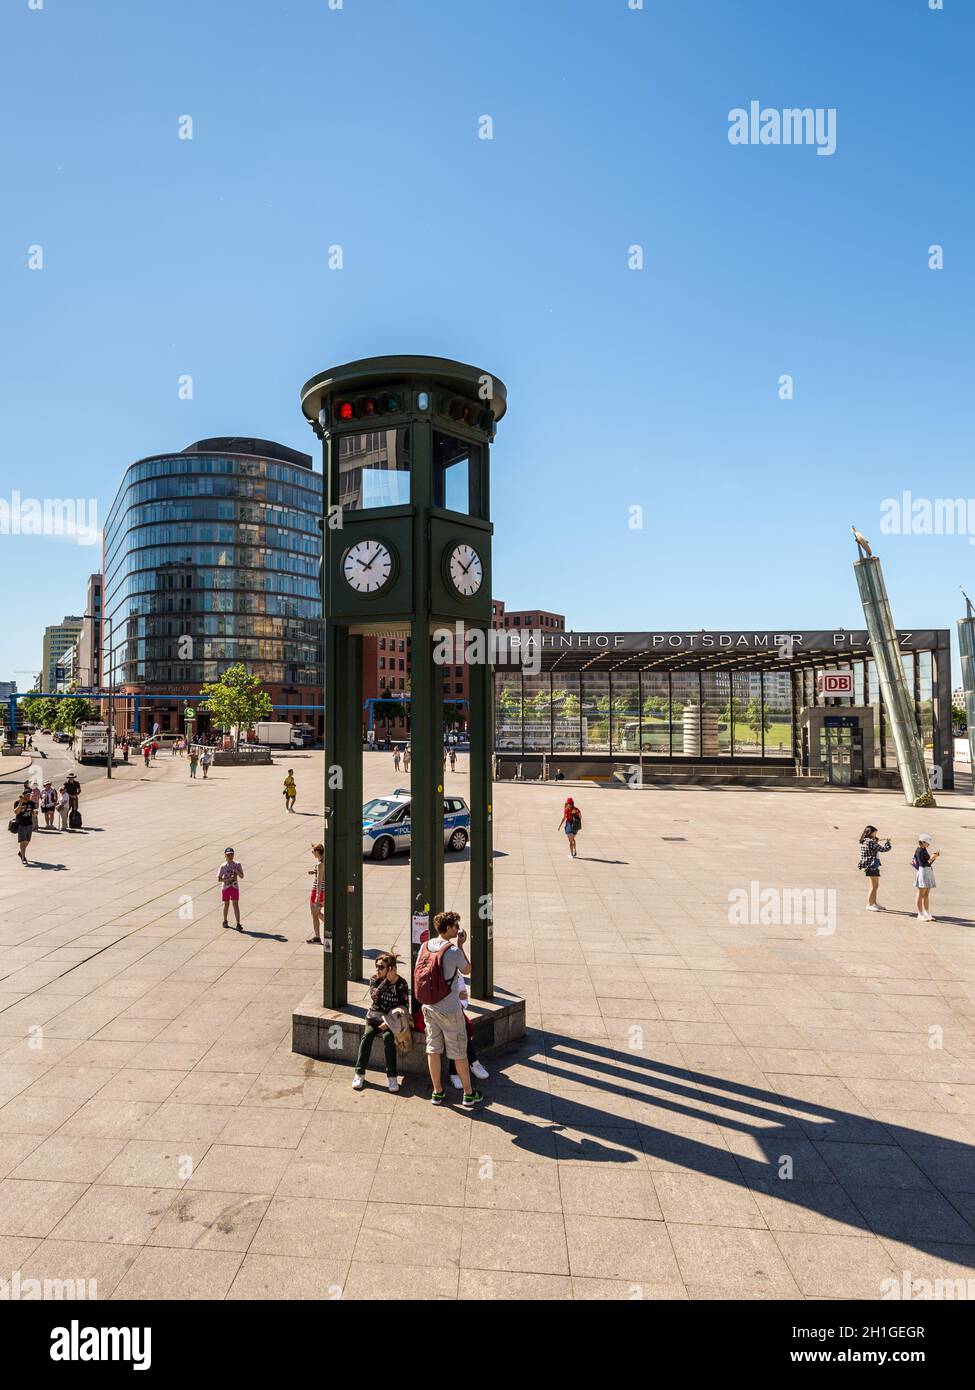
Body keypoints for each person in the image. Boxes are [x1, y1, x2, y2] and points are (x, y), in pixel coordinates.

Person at [414, 911, 481, 1109]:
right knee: (459, 1052)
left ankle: (437, 1091)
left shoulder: (425, 946)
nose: (458, 929)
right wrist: (461, 946)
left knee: (433, 1050)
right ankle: (469, 1094)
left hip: (429, 1008)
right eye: (455, 926)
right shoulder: (452, 951)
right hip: (450, 1009)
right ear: (448, 928)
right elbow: (467, 969)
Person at [353, 952, 409, 1092]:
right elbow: (375, 997)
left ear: (391, 968)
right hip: (375, 1017)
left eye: (381, 967)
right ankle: (359, 1073)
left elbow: (404, 1007)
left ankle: (392, 1077)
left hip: (391, 1019)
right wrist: (386, 981)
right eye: (376, 966)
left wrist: (389, 1022)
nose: (377, 970)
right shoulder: (375, 979)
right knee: (367, 1036)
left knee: (388, 1038)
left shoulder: (402, 984)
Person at [448, 973, 491, 1090]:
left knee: (460, 1027)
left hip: (455, 1012)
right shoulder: (437, 970)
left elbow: (464, 1000)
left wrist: (453, 998)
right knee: (457, 1029)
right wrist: (456, 997)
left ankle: (460, 1069)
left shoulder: (457, 975)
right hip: (437, 1013)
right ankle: (472, 1062)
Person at [858, 825, 892, 911]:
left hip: (872, 865)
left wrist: (875, 841)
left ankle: (874, 903)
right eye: (875, 832)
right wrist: (888, 842)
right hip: (871, 865)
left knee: (875, 886)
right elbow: (884, 849)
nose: (876, 834)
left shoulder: (866, 841)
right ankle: (869, 904)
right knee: (873, 886)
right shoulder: (870, 842)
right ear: (870, 833)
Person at [913, 834, 940, 921]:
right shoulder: (919, 851)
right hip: (923, 872)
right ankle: (920, 913)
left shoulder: (924, 849)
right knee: (920, 894)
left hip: (927, 872)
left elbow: (928, 863)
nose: (928, 845)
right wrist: (931, 858)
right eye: (927, 843)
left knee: (926, 895)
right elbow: (923, 864)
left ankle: (926, 912)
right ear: (923, 842)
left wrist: (933, 858)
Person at [218, 847, 244, 930]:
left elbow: (242, 876)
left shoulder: (237, 864)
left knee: (235, 905)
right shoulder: (223, 866)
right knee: (226, 904)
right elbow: (219, 879)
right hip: (225, 888)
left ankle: (238, 923)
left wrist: (237, 871)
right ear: (225, 855)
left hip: (234, 887)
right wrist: (228, 879)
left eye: (231, 854)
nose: (230, 856)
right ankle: (225, 921)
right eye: (228, 855)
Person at [307, 843, 325, 944]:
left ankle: (318, 936)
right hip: (322, 891)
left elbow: (319, 881)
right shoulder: (323, 861)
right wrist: (313, 872)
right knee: (317, 913)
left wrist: (317, 896)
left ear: (318, 852)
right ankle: (317, 937)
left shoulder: (320, 864)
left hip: (317, 891)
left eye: (313, 851)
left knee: (315, 914)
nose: (312, 853)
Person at [12, 789, 34, 865]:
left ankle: (21, 852)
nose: (29, 796)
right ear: (24, 795)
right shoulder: (17, 802)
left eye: (30, 795)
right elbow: (16, 812)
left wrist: (35, 812)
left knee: (27, 841)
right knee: (23, 842)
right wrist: (21, 802)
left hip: (29, 824)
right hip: (21, 825)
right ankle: (23, 858)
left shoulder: (31, 803)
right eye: (28, 795)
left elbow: (33, 812)